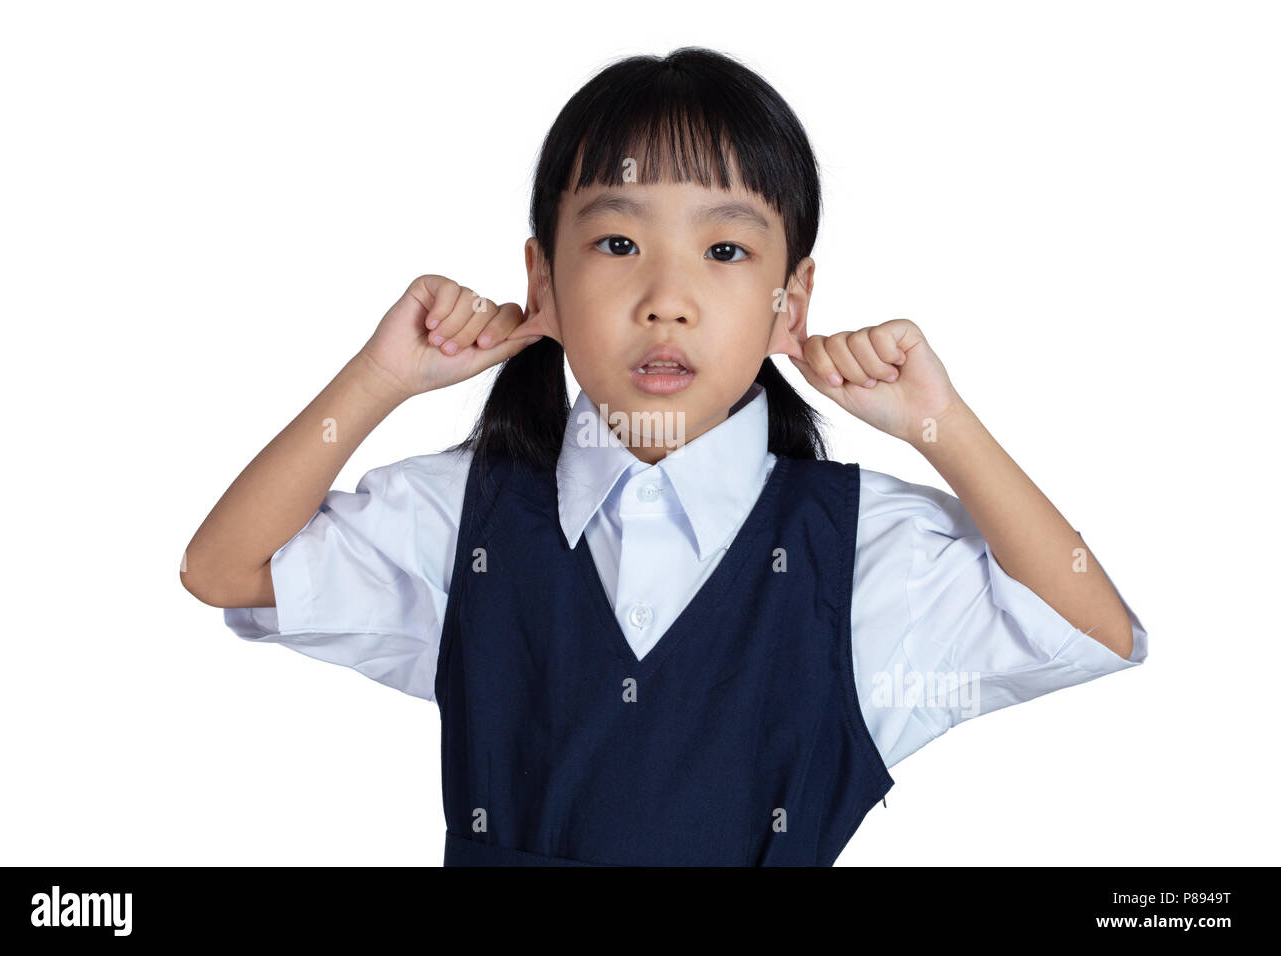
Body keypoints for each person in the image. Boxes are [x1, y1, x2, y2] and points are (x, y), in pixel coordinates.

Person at [181, 47, 1147, 866]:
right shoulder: (463, 524)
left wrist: (942, 422)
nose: (667, 298)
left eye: (726, 252)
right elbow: (225, 568)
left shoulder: (855, 553)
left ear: (792, 299)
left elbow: (1089, 629)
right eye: (614, 241)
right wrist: (380, 377)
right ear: (542, 280)